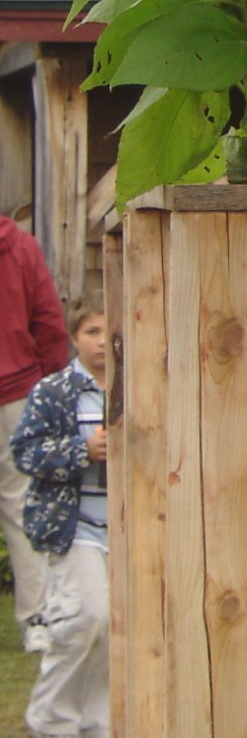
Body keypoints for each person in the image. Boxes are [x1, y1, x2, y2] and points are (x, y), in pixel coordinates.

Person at [11, 301, 109, 738]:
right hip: (75, 526)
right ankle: (51, 722)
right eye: (91, 331)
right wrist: (80, 451)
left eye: (110, 331)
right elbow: (25, 452)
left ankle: (99, 722)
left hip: (132, 529)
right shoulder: (54, 391)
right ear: (74, 337)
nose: (102, 341)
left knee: (115, 630)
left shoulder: (142, 384)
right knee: (84, 619)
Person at [0, 209, 70, 654]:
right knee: (22, 508)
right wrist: (53, 385)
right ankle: (38, 617)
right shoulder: (20, 246)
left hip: (19, 390)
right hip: (18, 391)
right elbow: (48, 320)